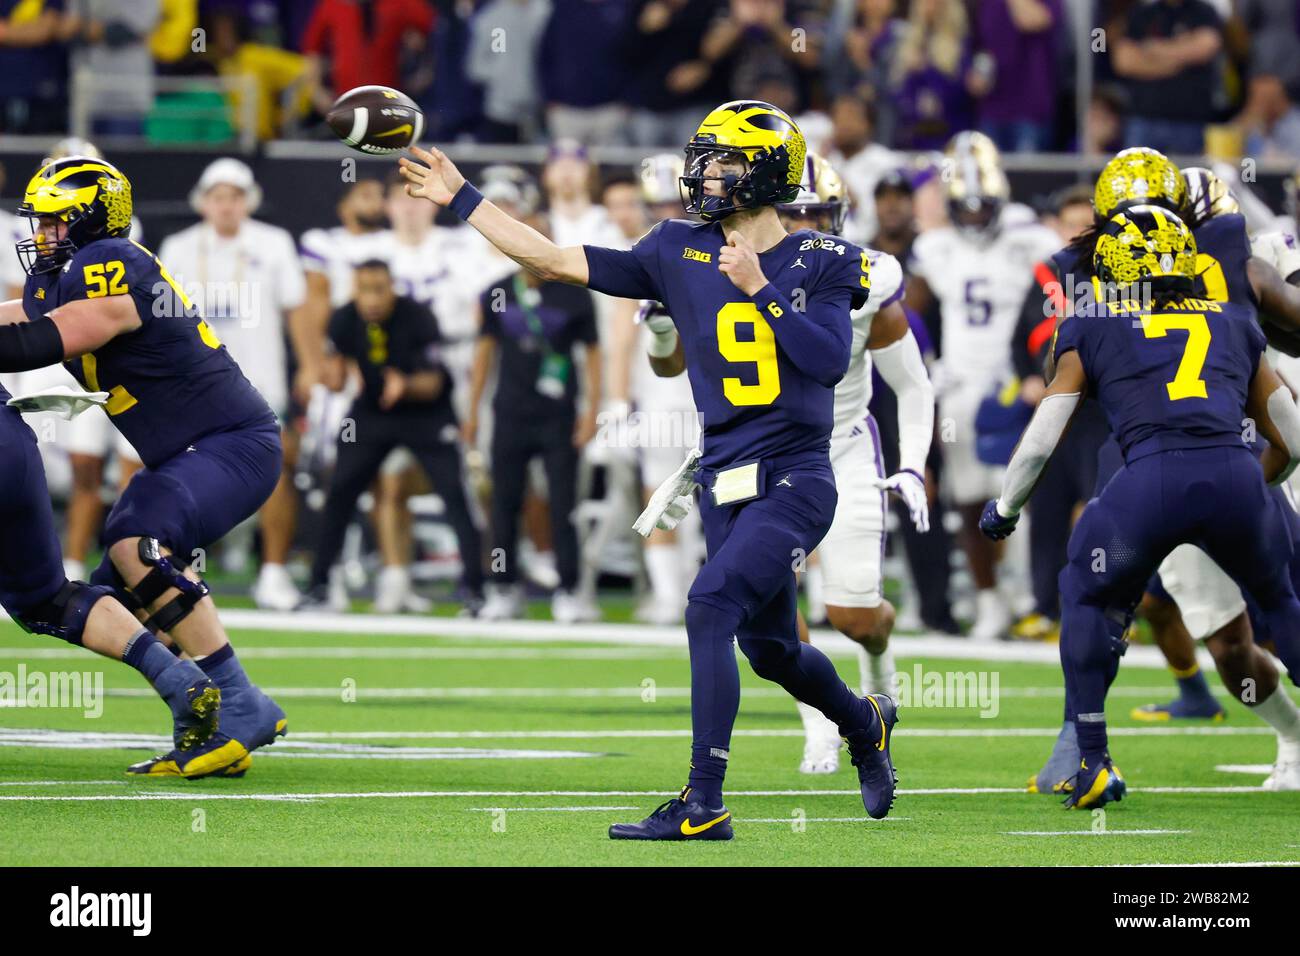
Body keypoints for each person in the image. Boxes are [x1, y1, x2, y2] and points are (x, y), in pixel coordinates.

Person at [400, 99, 898, 838]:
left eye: (722, 162)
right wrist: (465, 199)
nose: (704, 175)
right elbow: (552, 260)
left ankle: (703, 802)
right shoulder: (674, 246)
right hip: (723, 479)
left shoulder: (823, 258)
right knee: (773, 651)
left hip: (797, 476)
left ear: (765, 172)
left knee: (708, 607)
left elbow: (825, 363)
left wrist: (760, 287)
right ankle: (865, 724)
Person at [980, 205, 1300, 808]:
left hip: (1147, 483)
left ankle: (1093, 760)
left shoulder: (1091, 324)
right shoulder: (1232, 318)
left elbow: (1045, 434)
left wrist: (1005, 508)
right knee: (1281, 602)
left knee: (1084, 592)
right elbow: (1293, 434)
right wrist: (1244, 490)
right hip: (1236, 475)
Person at [0, 155, 286, 779]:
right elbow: (15, 318)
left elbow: (50, 338)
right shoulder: (58, 276)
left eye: (53, 222)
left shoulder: (116, 263)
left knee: (137, 544)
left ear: (91, 219)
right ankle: (204, 718)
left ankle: (243, 703)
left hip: (231, 441)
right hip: (182, 454)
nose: (40, 235)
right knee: (113, 596)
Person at [775, 153, 934, 775]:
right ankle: (818, 724)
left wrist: (914, 465)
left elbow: (914, 386)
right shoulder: (729, 267)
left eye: (821, 213)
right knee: (771, 607)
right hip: (760, 453)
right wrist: (659, 335)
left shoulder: (866, 282)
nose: (810, 226)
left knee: (854, 615)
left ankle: (878, 672)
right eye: (796, 213)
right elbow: (672, 365)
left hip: (840, 447)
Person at [907, 131, 1060, 641]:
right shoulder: (933, 248)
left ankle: (1025, 596)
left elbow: (1054, 305)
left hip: (1018, 384)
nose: (973, 216)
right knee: (970, 498)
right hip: (960, 388)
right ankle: (990, 599)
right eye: (964, 208)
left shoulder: (1031, 241)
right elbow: (911, 317)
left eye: (982, 207)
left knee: (1021, 496)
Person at [159, 158, 310, 612]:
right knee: (186, 476)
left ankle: (274, 573)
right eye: (219, 196)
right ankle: (182, 573)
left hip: (261, 380)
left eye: (235, 196)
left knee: (276, 471)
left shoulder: (274, 242)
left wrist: (309, 366)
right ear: (204, 202)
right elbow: (162, 320)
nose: (227, 205)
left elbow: (297, 309)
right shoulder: (179, 246)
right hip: (195, 386)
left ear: (249, 202)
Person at [300, 260, 484, 612]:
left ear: (392, 288)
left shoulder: (418, 318)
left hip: (427, 414)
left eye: (378, 289)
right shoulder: (344, 319)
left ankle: (476, 591)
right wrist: (324, 370)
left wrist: (405, 383)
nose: (371, 299)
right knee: (339, 491)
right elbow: (336, 377)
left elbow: (432, 383)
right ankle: (320, 585)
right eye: (363, 290)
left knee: (455, 494)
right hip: (373, 413)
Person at [465, 218, 602, 624]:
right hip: (510, 411)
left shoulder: (575, 292)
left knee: (564, 505)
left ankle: (568, 589)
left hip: (559, 415)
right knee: (505, 502)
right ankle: (503, 588)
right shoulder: (497, 292)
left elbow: (593, 354)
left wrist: (592, 409)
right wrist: (471, 410)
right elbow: (484, 353)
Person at [1111, 0, 1224, 155]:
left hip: (1190, 122)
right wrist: (1180, 55)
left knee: (1186, 177)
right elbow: (1124, 61)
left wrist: (1152, 50)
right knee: (1138, 177)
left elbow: (1205, 47)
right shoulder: (1143, 13)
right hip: (1144, 119)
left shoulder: (1203, 11)